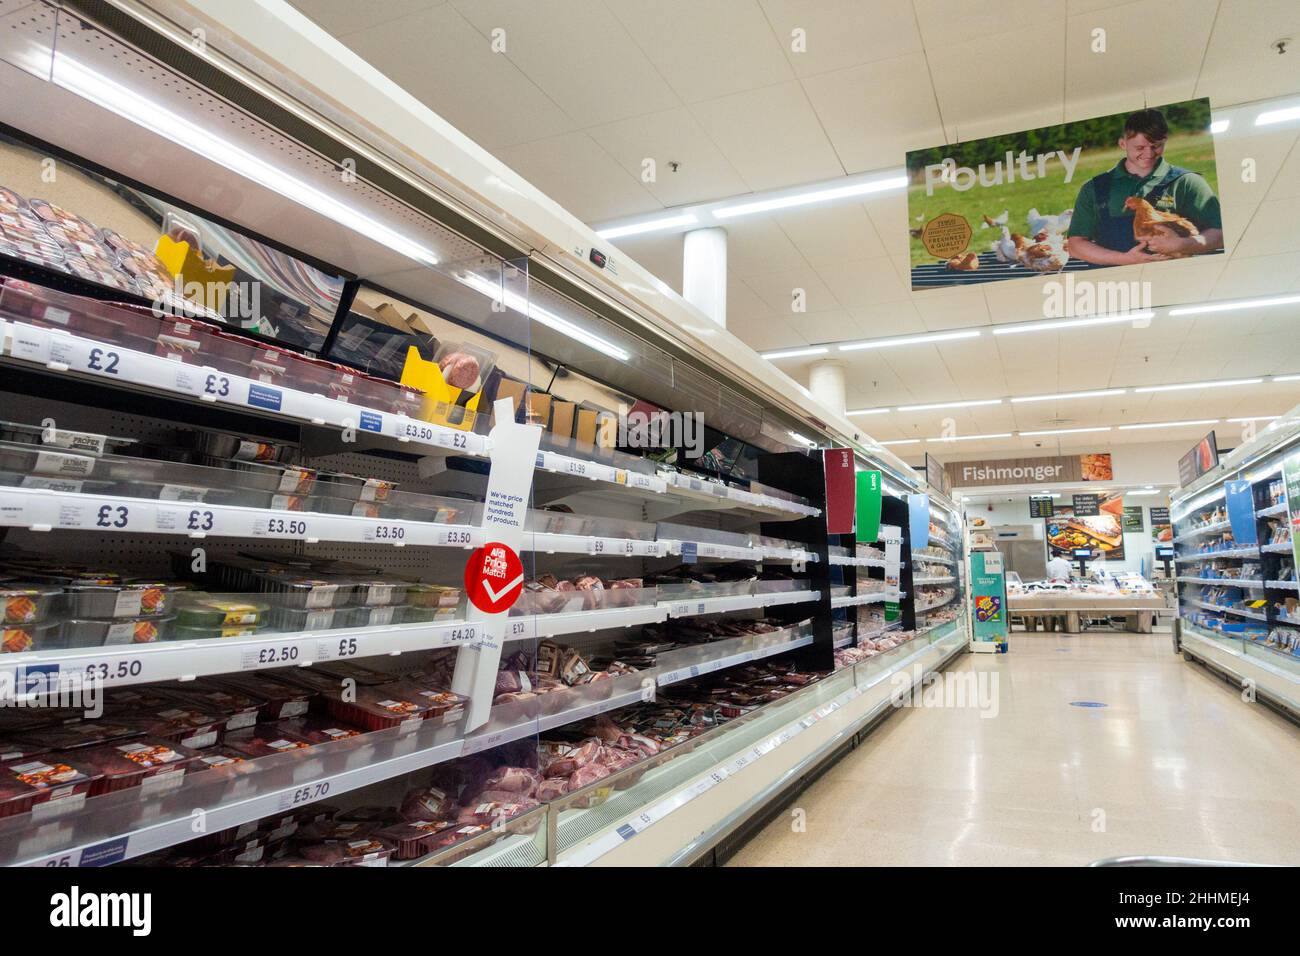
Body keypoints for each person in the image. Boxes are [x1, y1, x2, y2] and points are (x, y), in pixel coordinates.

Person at [1066, 108, 1223, 265]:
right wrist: (1125, 259)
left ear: (1165, 140)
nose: (1149, 154)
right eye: (1140, 148)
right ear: (1123, 143)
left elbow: (1219, 233)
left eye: (1156, 146)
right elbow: (1076, 245)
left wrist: (1182, 244)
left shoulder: (1186, 182)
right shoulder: (1094, 188)